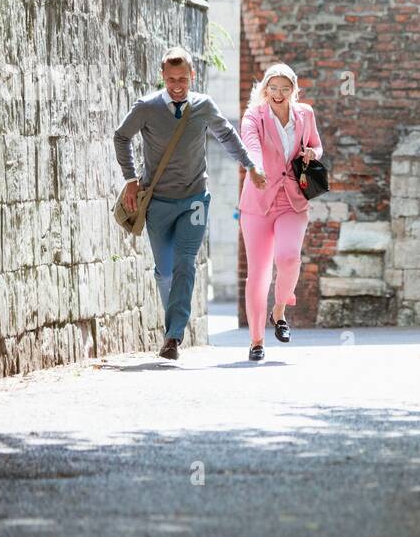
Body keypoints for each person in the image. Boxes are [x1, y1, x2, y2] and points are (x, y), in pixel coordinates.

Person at [113, 46, 264, 360]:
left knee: (185, 263)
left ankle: (173, 336)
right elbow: (121, 136)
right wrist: (130, 178)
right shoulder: (147, 107)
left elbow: (227, 135)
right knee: (164, 271)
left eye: (183, 78)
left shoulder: (203, 106)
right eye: (171, 79)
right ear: (163, 76)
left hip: (195, 199)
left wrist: (250, 165)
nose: (177, 85)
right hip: (158, 202)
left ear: (192, 75)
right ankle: (172, 328)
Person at [238, 63, 323, 362]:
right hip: (258, 200)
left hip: (293, 198)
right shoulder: (253, 116)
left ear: (293, 90)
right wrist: (256, 167)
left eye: (284, 89)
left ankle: (280, 311)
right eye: (272, 88)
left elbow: (316, 144)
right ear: (265, 90)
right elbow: (250, 145)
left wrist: (313, 153)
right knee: (259, 274)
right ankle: (257, 340)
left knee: (288, 257)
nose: (278, 94)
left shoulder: (305, 114)